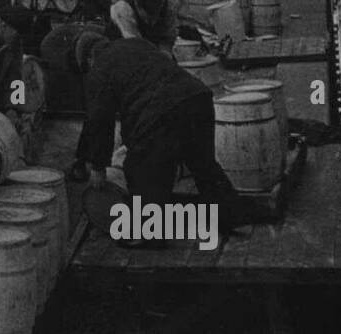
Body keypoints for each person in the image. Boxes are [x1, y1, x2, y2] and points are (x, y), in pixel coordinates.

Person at [78, 34, 275, 244]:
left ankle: (148, 234)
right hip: (196, 97)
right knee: (204, 166)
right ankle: (231, 214)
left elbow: (100, 120)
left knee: (143, 171)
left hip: (161, 111)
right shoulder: (136, 43)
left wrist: (98, 166)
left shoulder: (99, 69)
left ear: (89, 57)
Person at [109, 0, 178, 54]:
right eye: (148, 18)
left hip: (153, 41)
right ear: (137, 5)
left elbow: (168, 36)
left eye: (156, 15)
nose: (153, 21)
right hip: (124, 43)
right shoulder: (122, 9)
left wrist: (165, 53)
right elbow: (134, 42)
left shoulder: (169, 2)